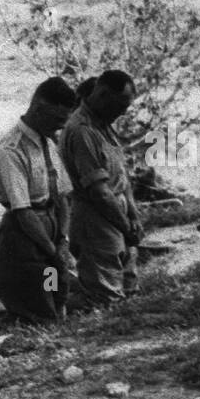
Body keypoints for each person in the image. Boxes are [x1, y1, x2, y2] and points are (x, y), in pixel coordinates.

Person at [0, 77, 78, 323]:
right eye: (56, 121)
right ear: (38, 108)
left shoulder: (47, 143)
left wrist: (62, 239)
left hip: (50, 231)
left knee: (54, 292)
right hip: (24, 238)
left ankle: (10, 318)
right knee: (36, 308)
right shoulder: (11, 151)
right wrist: (52, 251)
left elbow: (61, 197)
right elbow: (23, 212)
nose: (59, 128)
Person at [59, 70, 142, 308]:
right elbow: (100, 192)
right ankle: (53, 302)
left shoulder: (103, 124)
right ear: (104, 95)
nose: (123, 112)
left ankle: (59, 291)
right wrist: (126, 227)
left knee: (128, 290)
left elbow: (120, 175)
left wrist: (133, 215)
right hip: (96, 219)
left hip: (117, 215)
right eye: (120, 105)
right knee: (105, 301)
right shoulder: (82, 130)